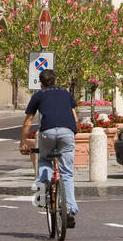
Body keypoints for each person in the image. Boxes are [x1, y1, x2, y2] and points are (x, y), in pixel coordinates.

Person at [18, 69, 80, 227]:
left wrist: (23, 142)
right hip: (67, 132)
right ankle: (70, 209)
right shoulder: (66, 93)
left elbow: (27, 122)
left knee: (44, 159)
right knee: (67, 173)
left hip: (48, 132)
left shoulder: (38, 95)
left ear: (41, 83)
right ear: (55, 80)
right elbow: (75, 117)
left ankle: (41, 193)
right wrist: (73, 133)